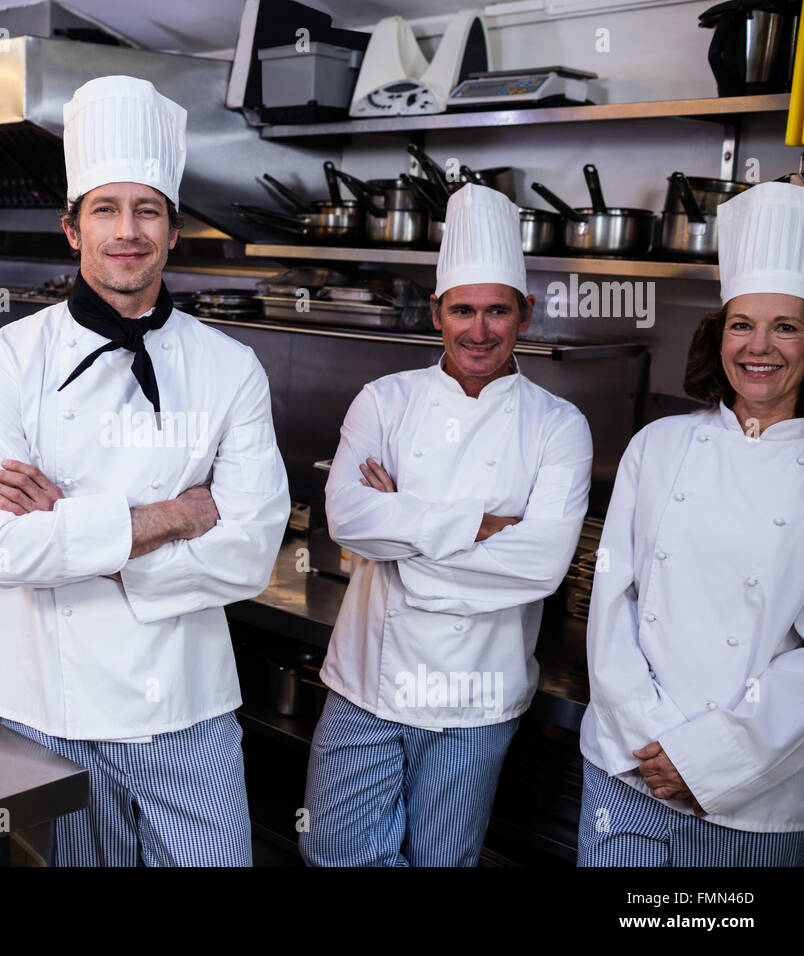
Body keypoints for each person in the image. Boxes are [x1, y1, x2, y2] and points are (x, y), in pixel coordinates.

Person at [0, 75, 290, 867]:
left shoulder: (231, 367)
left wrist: (75, 536)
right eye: (106, 209)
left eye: (147, 211)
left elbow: (249, 555)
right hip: (46, 700)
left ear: (173, 231)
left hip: (187, 700)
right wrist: (173, 517)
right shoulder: (5, 360)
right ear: (73, 229)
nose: (128, 231)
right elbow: (5, 553)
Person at [300, 184, 593, 867]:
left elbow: (543, 564)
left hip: (478, 699)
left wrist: (402, 533)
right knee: (335, 856)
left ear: (525, 313)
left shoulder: (559, 426)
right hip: (367, 683)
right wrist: (485, 526)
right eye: (463, 310)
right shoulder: (384, 400)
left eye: (497, 311)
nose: (479, 330)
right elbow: (346, 516)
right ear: (437, 313)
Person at [577, 180, 804, 866]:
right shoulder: (661, 445)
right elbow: (613, 603)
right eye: (742, 324)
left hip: (757, 799)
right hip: (629, 770)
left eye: (786, 326)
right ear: (720, 332)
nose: (758, 347)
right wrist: (658, 746)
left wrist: (708, 760)